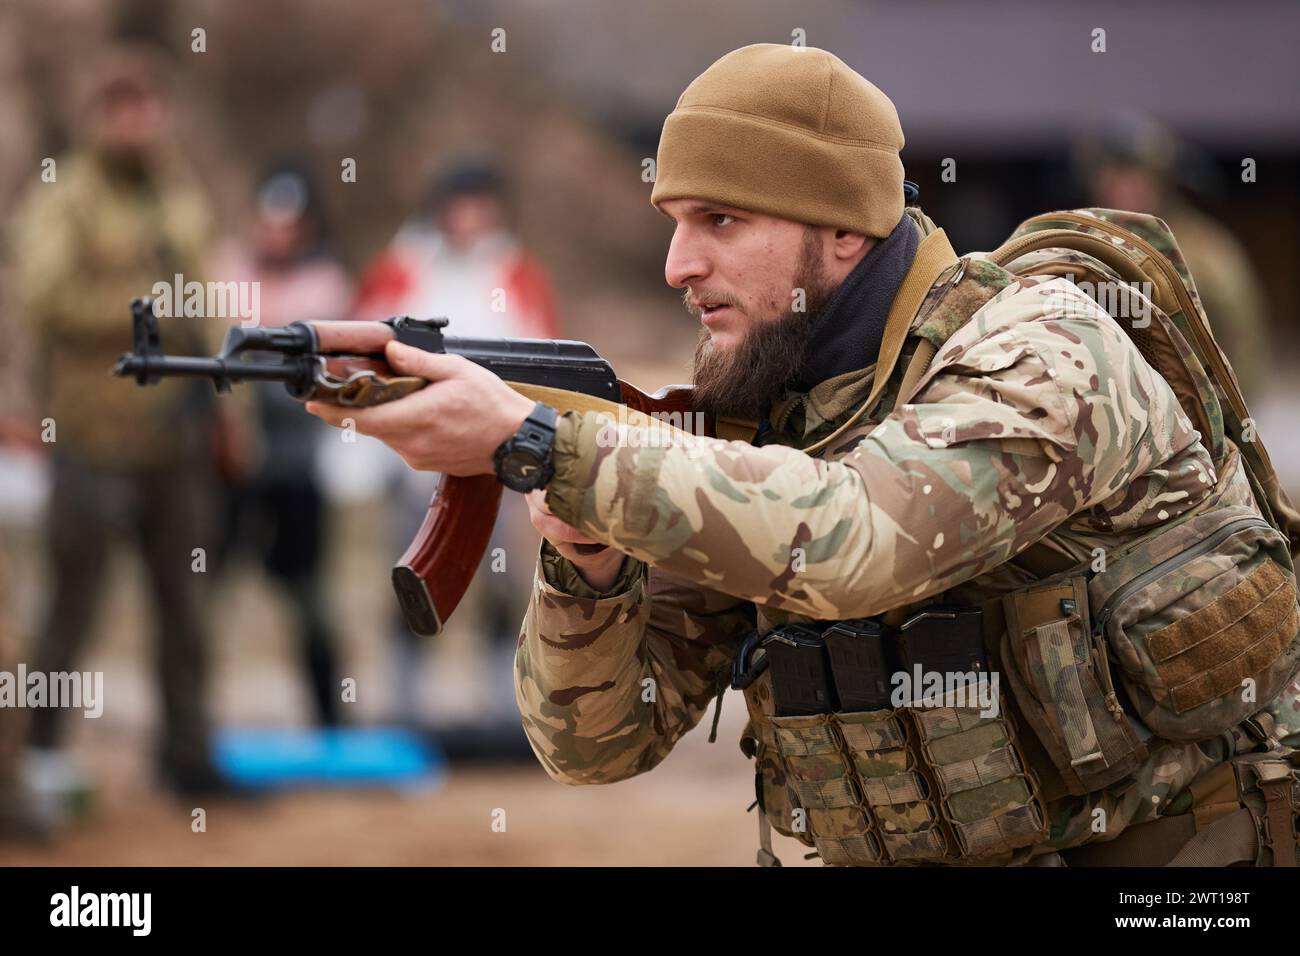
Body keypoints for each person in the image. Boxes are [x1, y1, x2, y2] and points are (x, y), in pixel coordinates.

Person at [305, 44, 1300, 866]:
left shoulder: (1042, 348)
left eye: (720, 220)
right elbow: (596, 744)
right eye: (674, 223)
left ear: (843, 227)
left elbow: (858, 537)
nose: (678, 265)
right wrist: (587, 559)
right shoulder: (764, 413)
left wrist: (547, 444)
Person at [11, 46, 240, 796]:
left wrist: (231, 408)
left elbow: (209, 303)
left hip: (178, 435)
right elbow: (45, 300)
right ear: (99, 118)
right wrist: (142, 306)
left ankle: (188, 755)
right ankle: (32, 759)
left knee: (186, 606)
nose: (138, 123)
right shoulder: (65, 198)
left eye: (147, 108)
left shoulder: (178, 193)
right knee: (71, 607)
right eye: (123, 109)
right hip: (93, 437)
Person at [353, 157, 559, 724]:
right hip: (415, 456)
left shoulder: (516, 274)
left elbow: (542, 358)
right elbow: (366, 351)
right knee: (413, 576)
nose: (469, 219)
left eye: (480, 208)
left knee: (502, 586)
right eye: (461, 207)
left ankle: (504, 706)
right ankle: (403, 703)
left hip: (498, 454)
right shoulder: (404, 268)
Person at [213, 163, 353, 726]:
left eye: (287, 224)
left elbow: (335, 370)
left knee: (310, 599)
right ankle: (191, 726)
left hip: (295, 470)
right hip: (230, 468)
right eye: (268, 221)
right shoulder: (228, 270)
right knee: (204, 594)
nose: (276, 234)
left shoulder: (325, 283)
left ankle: (329, 722)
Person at [1079, 114, 1270, 404]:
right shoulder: (1077, 240)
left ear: (1161, 181)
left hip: (1187, 412)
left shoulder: (1206, 253)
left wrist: (1224, 419)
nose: (1124, 188)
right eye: (1113, 176)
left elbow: (1242, 343)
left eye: (1136, 177)